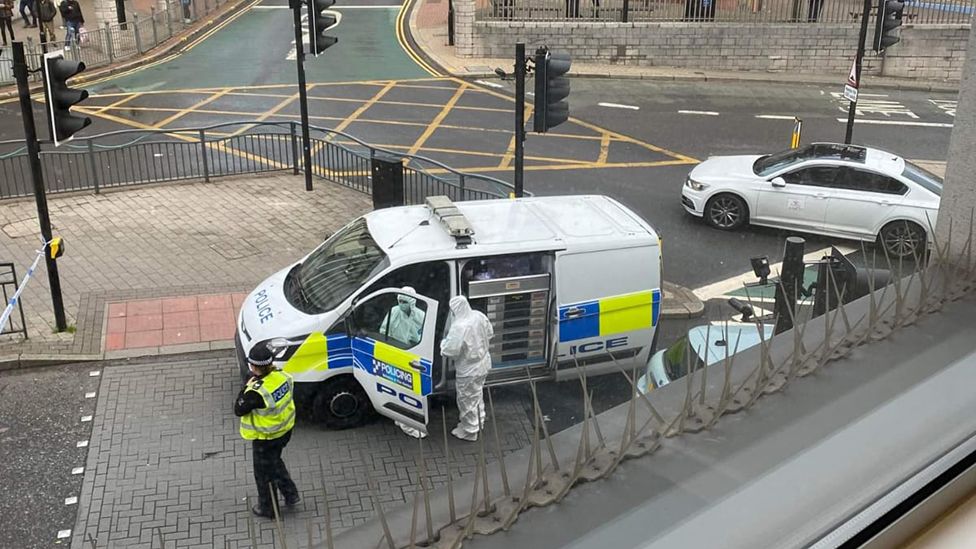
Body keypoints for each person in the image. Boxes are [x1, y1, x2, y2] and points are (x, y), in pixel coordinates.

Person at [234, 343, 301, 518]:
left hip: (266, 437)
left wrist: (245, 388)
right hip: (284, 431)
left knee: (263, 474)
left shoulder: (256, 392)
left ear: (253, 366)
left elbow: (239, 409)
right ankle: (290, 493)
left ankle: (268, 508)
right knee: (275, 462)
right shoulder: (282, 376)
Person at [441, 295, 494, 441]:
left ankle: (470, 431)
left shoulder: (459, 327)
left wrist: (442, 343)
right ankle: (479, 420)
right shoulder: (478, 315)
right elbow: (490, 333)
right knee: (476, 395)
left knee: (466, 399)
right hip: (483, 363)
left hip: (468, 369)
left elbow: (450, 351)